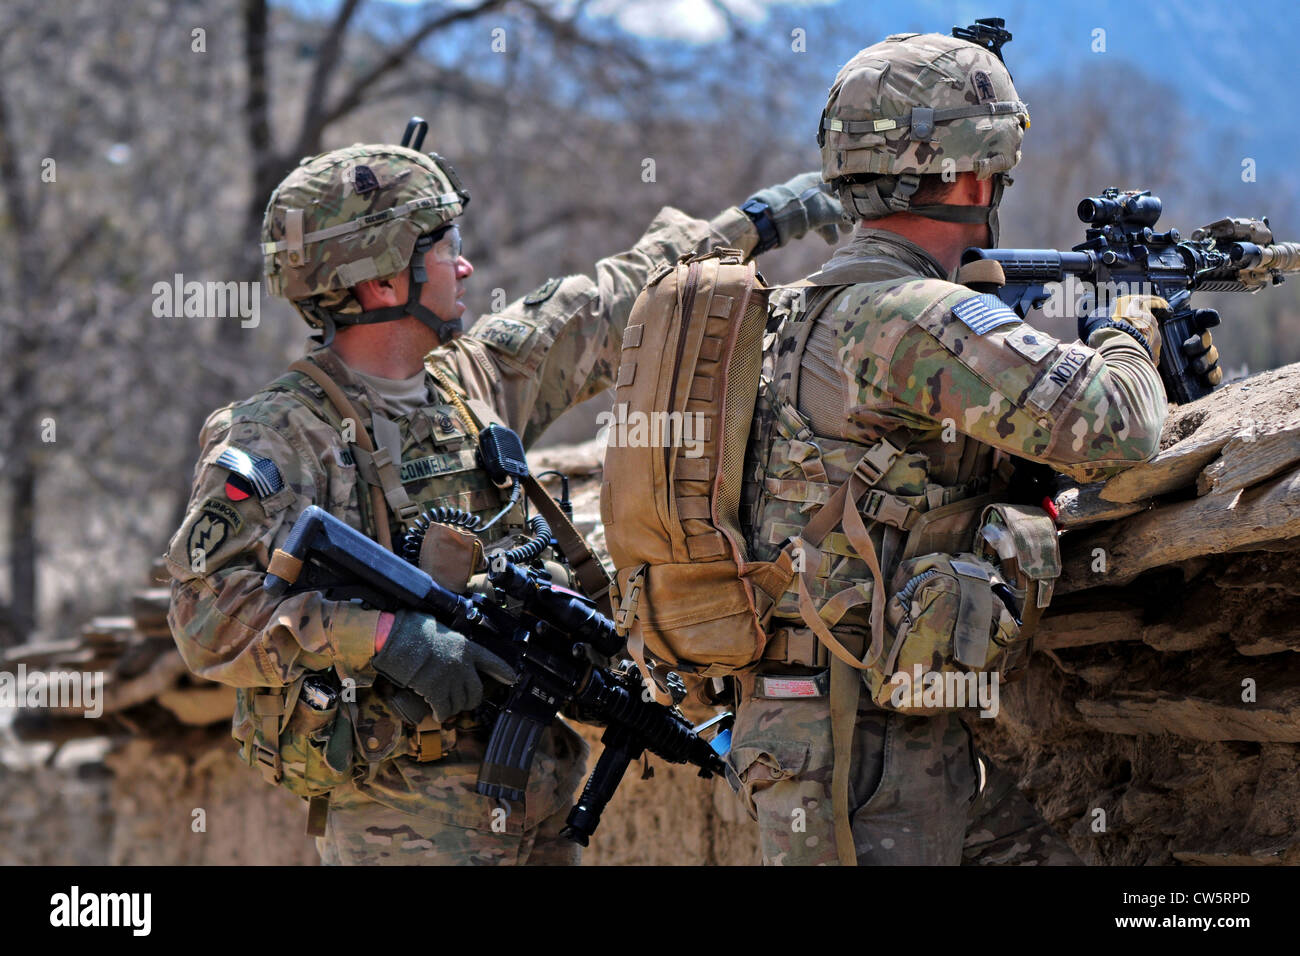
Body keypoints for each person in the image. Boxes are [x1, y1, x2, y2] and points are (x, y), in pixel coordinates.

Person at [165, 129, 844, 865]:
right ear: (384, 283)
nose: (464, 265)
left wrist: (762, 220)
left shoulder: (473, 382)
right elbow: (207, 616)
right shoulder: (281, 433)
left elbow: (608, 302)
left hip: (537, 796)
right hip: (405, 824)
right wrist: (389, 641)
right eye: (441, 247)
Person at [730, 27, 1221, 865]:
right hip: (867, 746)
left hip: (836, 722)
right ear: (968, 170)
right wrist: (1129, 331)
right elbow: (1117, 424)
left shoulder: (799, 305)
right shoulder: (910, 313)